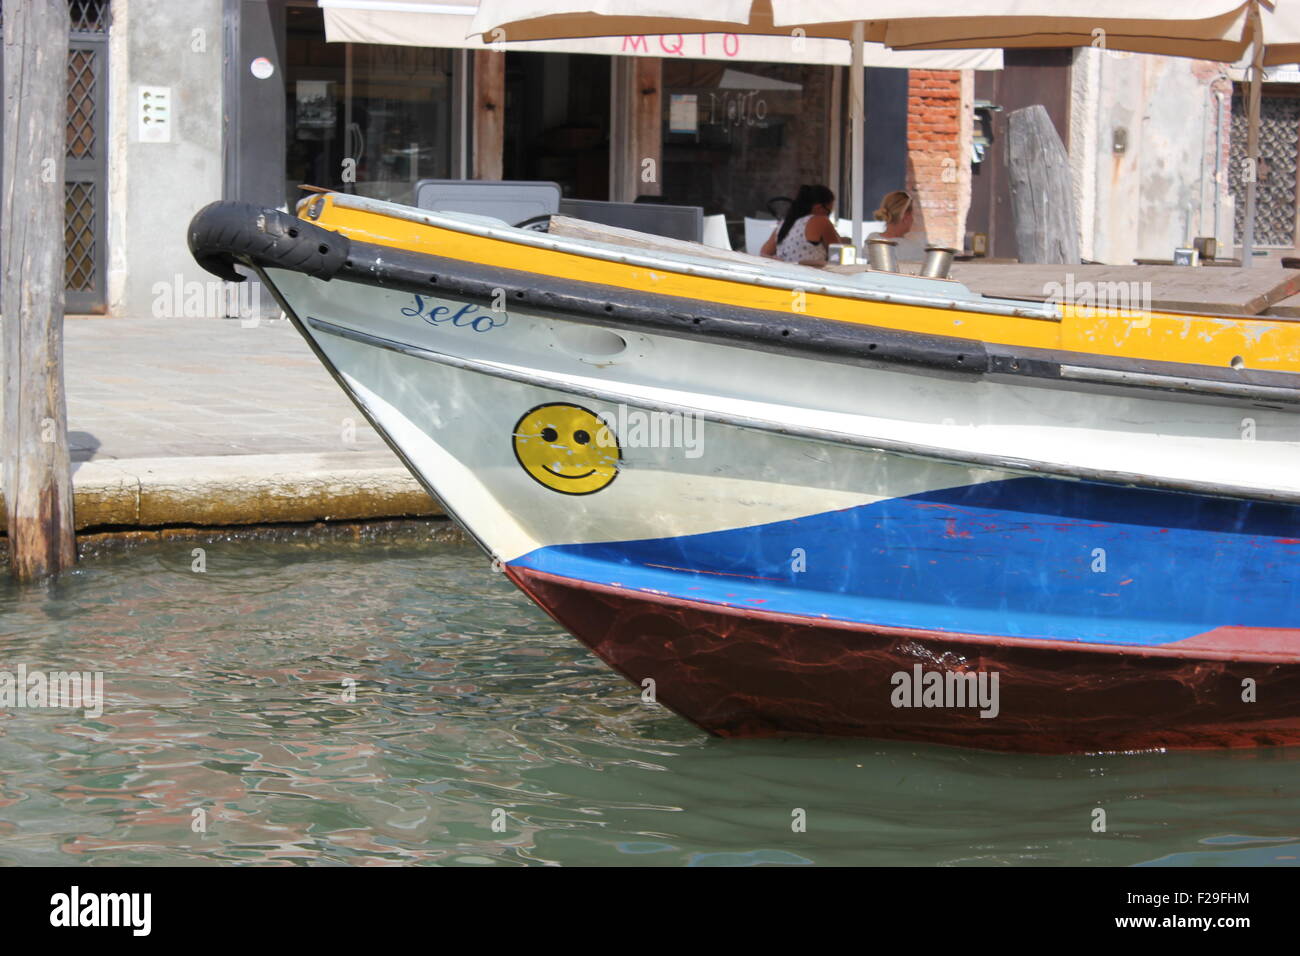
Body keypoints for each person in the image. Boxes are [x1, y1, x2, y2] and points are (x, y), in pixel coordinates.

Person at [762, 184, 843, 264]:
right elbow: (837, 255)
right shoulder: (820, 220)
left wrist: (778, 261)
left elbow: (764, 253)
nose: (827, 216)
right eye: (828, 212)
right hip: (812, 275)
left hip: (786, 274)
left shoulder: (784, 224)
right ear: (819, 207)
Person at [874, 190, 928, 262]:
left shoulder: (871, 241)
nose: (913, 219)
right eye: (913, 214)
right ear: (906, 217)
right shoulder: (913, 249)